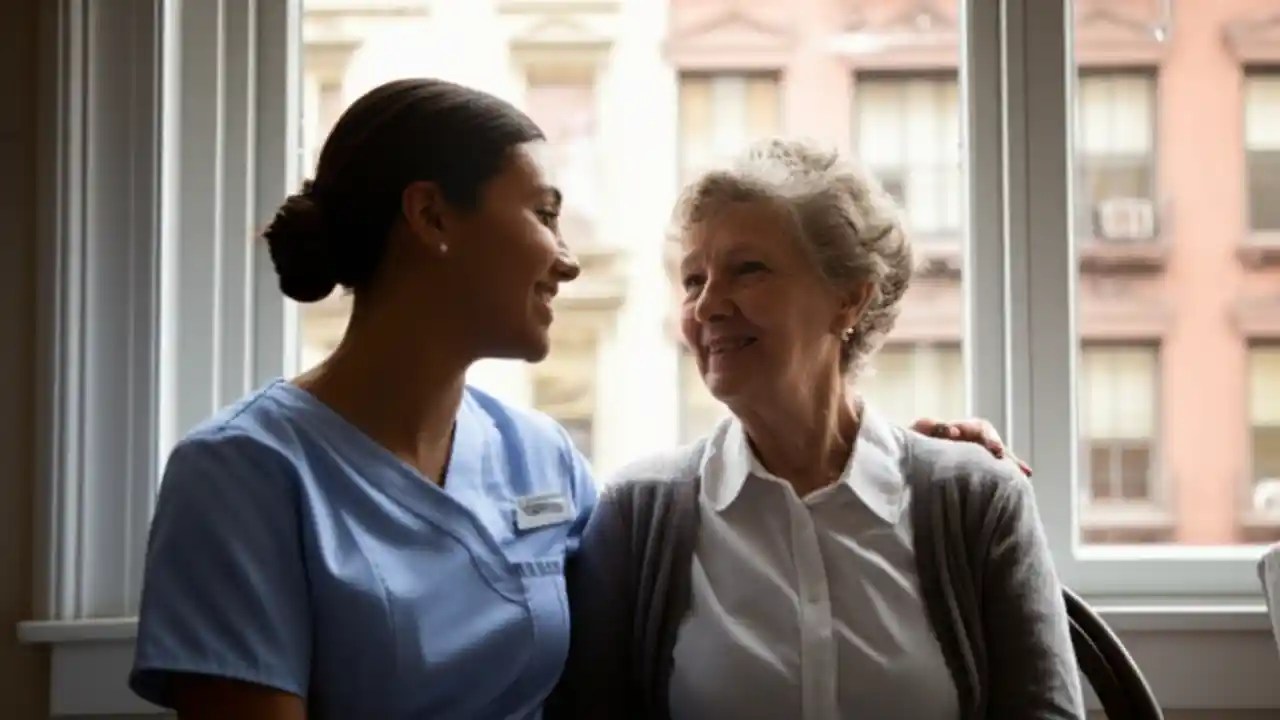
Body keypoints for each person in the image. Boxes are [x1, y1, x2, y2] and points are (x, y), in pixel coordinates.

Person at [129, 77, 1027, 719]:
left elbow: (782, 493)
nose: (567, 257)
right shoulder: (241, 474)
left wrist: (923, 465)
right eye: (545, 213)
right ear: (433, 219)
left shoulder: (540, 458)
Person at [554, 139, 1084, 719]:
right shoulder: (638, 514)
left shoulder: (976, 499)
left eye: (746, 270)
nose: (707, 307)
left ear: (848, 300)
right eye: (693, 280)